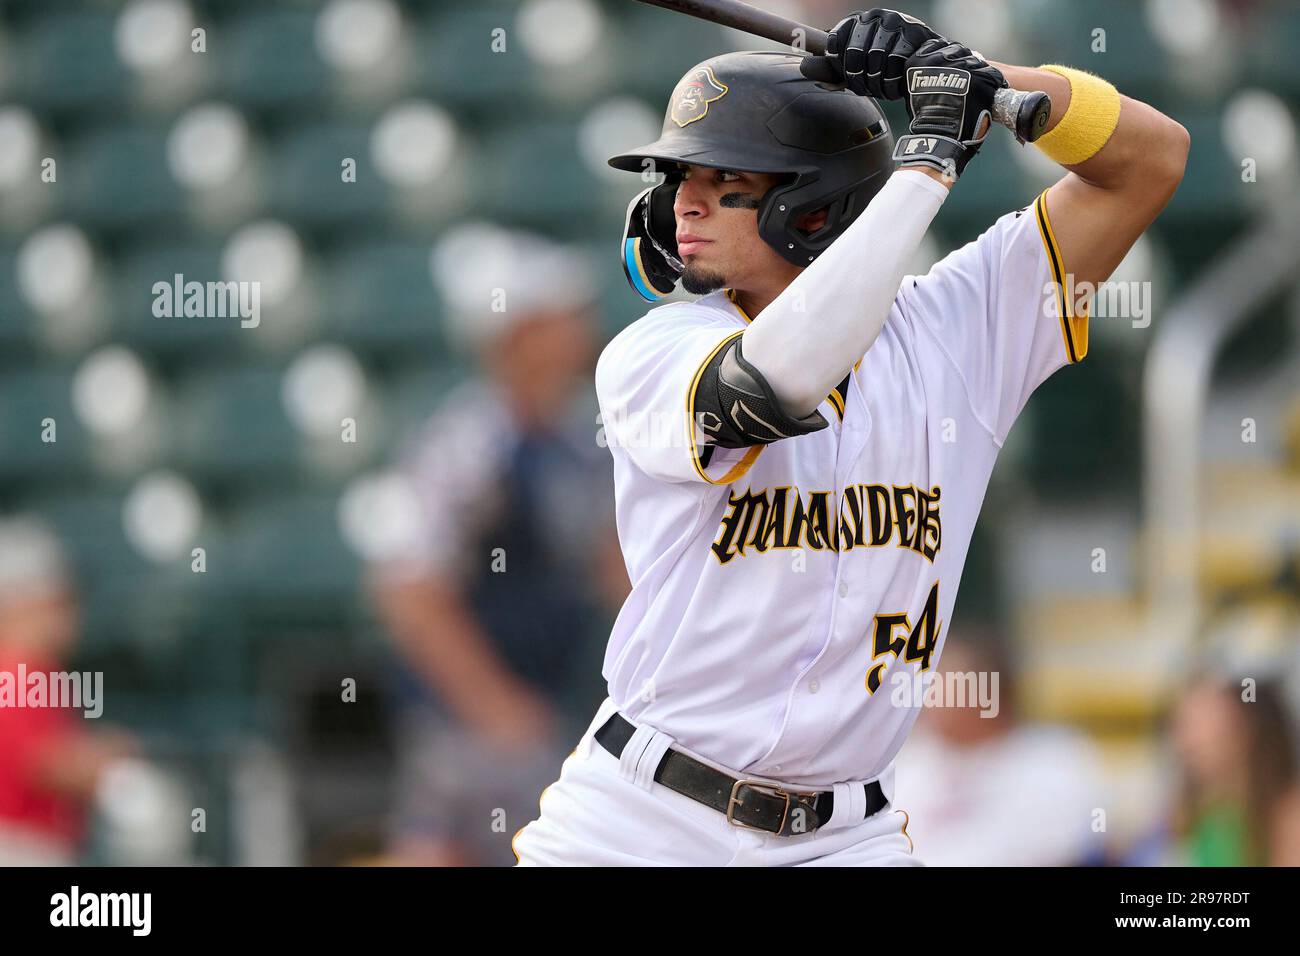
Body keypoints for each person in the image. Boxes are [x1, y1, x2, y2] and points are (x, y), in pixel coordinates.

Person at [513, 7, 1188, 865]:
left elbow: (1150, 159)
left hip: (844, 836)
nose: (682, 201)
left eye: (727, 178)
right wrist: (930, 155)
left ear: (814, 206)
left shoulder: (961, 331)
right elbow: (777, 378)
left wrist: (976, 78)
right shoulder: (654, 348)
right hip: (641, 819)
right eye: (679, 175)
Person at [370, 227, 627, 866]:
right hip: (477, 730)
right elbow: (407, 589)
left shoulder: (575, 440)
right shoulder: (470, 445)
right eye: (560, 319)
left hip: (556, 704)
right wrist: (492, 706)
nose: (579, 332)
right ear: (520, 335)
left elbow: (612, 568)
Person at [891, 635, 1110, 866]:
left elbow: (1068, 851)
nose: (929, 695)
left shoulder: (1057, 762)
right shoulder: (909, 761)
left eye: (945, 682)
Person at [0, 516, 136, 865]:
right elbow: (40, 762)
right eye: (58, 602)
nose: (69, 615)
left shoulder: (33, 668)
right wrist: (100, 760)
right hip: (19, 846)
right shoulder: (16, 667)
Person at [1163, 673, 1300, 866]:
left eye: (1200, 726)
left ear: (1244, 731)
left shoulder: (1286, 814)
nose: (1184, 742)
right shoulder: (1197, 811)